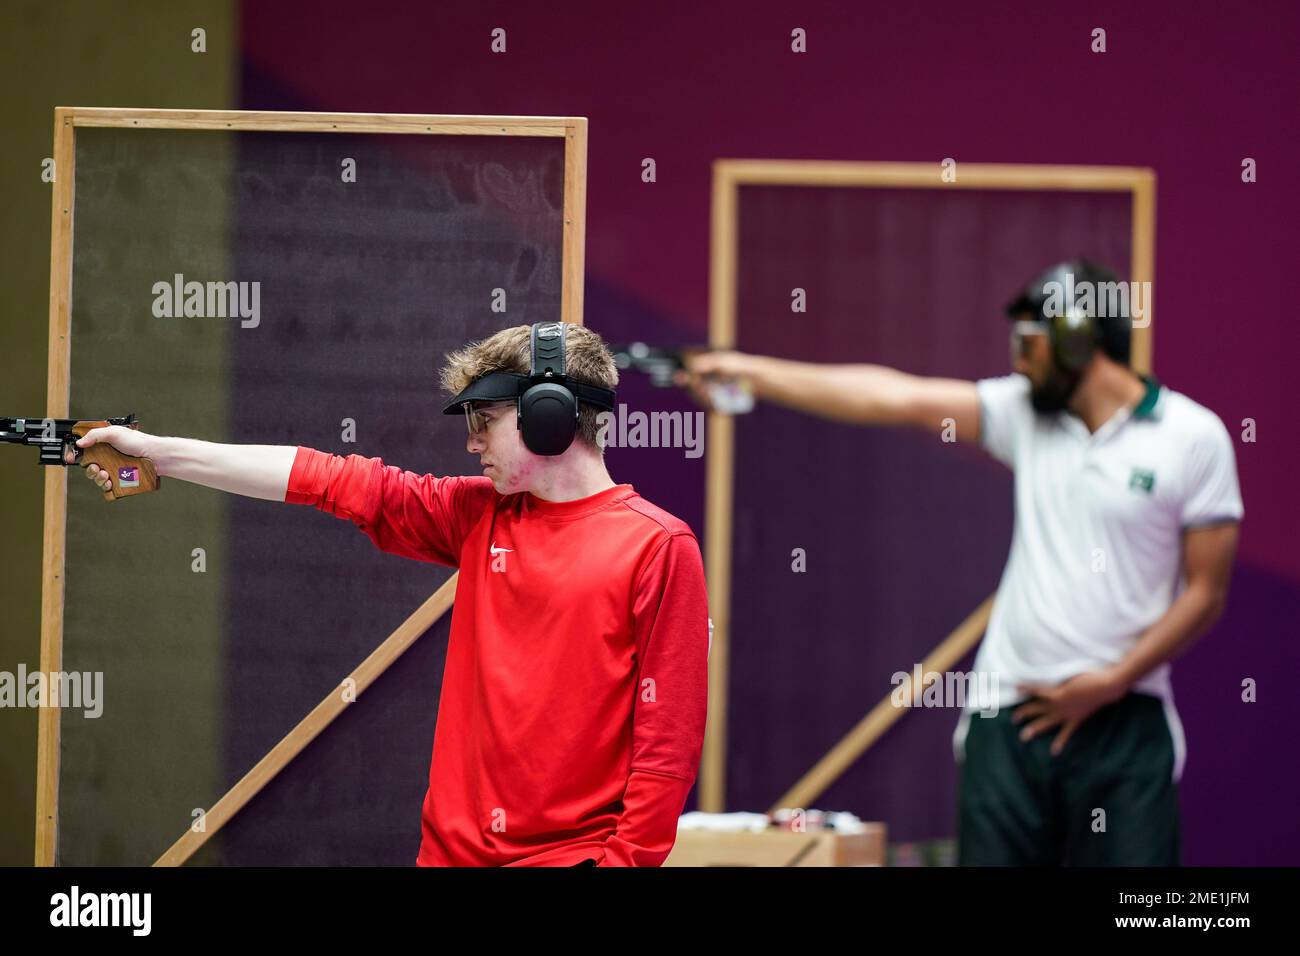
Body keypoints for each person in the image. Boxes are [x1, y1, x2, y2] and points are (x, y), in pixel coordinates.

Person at [79, 322, 710, 867]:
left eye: (485, 422)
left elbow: (666, 752)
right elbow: (327, 479)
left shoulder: (658, 548)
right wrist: (161, 454)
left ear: (551, 415)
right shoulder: (477, 515)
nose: (472, 443)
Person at [679, 260, 1242, 866]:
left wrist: (1111, 680)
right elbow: (893, 396)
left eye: (1031, 344)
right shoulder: (1024, 413)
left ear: (1078, 342)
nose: (1018, 361)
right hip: (1008, 713)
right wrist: (748, 373)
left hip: (1126, 719)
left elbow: (1205, 593)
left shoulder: (1192, 437)